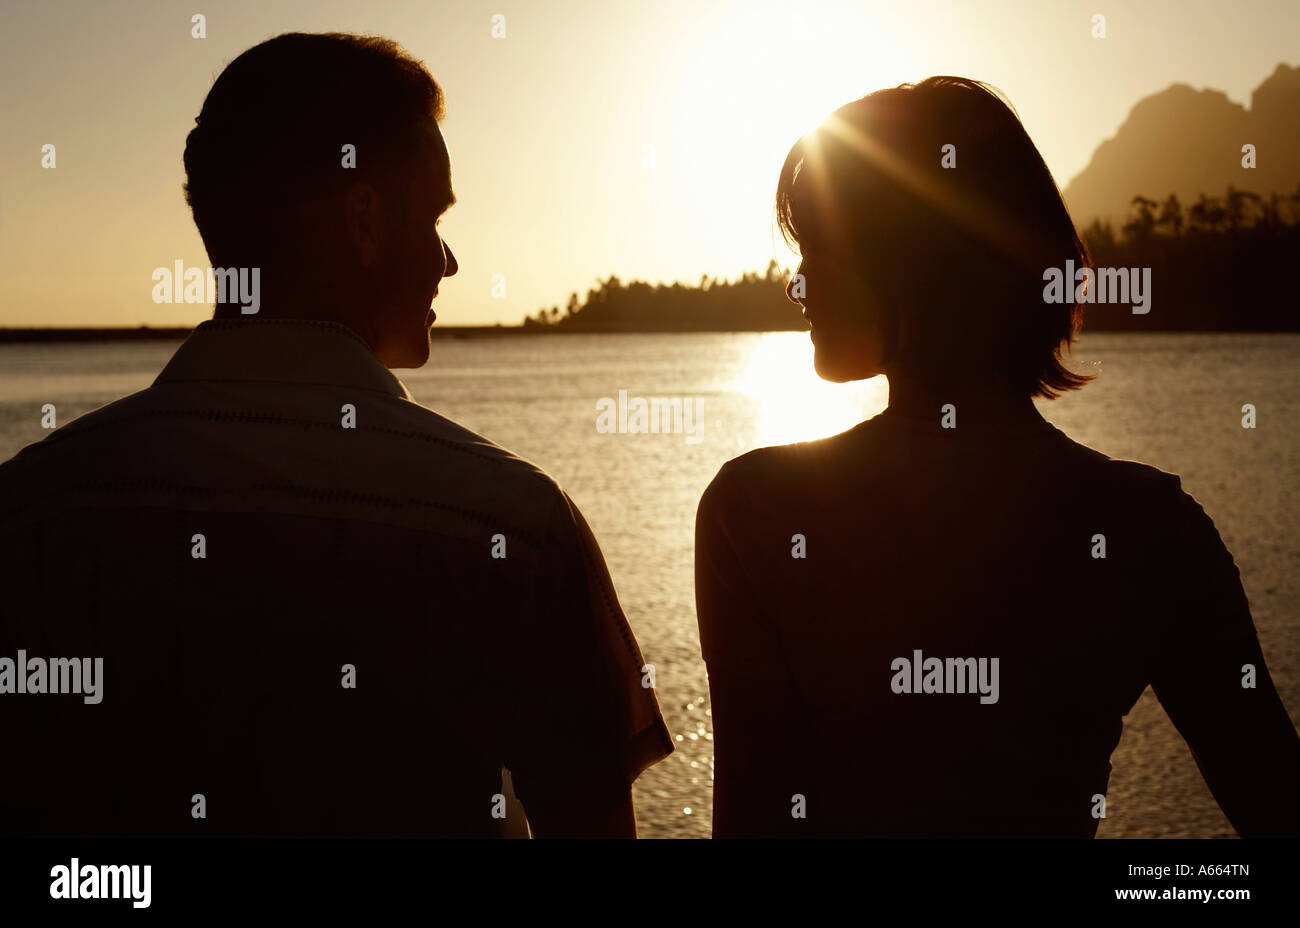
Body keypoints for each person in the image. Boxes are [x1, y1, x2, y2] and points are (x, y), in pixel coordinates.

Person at [0, 32, 672, 837]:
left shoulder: (30, 510)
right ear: (364, 217)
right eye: (433, 218)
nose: (450, 262)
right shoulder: (513, 528)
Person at [695, 76, 1300, 838]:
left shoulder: (755, 513)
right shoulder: (1154, 532)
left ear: (907, 262)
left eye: (819, 248)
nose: (800, 283)